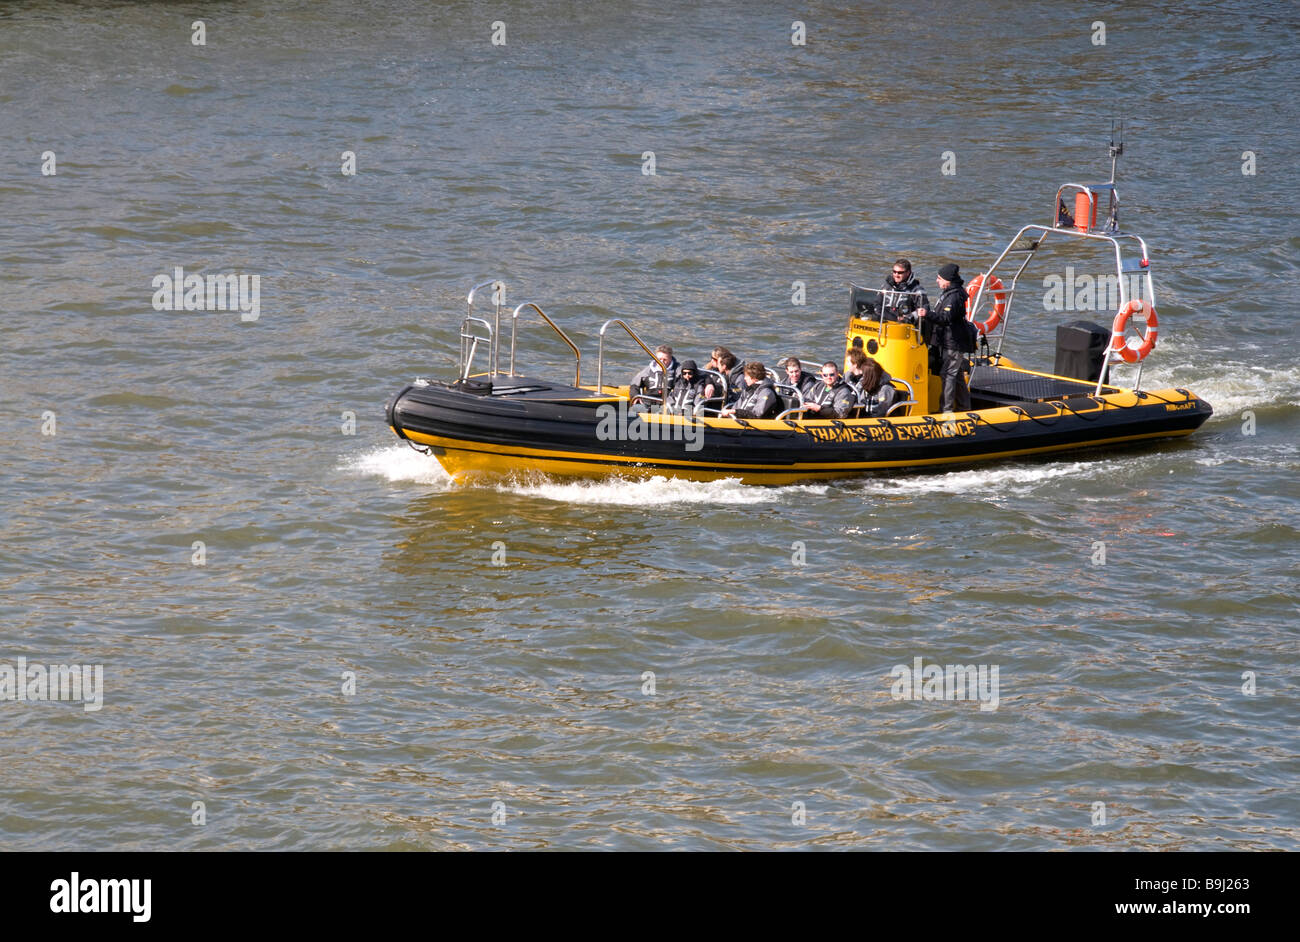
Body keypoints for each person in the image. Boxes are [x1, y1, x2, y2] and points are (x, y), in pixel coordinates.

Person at [920, 263, 973, 412]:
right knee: (956, 376)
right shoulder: (949, 293)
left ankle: (946, 409)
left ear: (948, 280)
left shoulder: (954, 297)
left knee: (948, 374)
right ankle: (964, 406)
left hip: (954, 342)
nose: (937, 281)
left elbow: (945, 318)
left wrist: (927, 314)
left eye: (939, 278)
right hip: (948, 341)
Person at [880, 258, 929, 323]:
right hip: (884, 322)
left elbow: (924, 309)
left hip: (905, 325)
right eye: (894, 272)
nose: (896, 275)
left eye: (900, 273)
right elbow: (877, 303)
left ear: (908, 273)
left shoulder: (917, 290)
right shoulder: (886, 286)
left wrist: (908, 317)